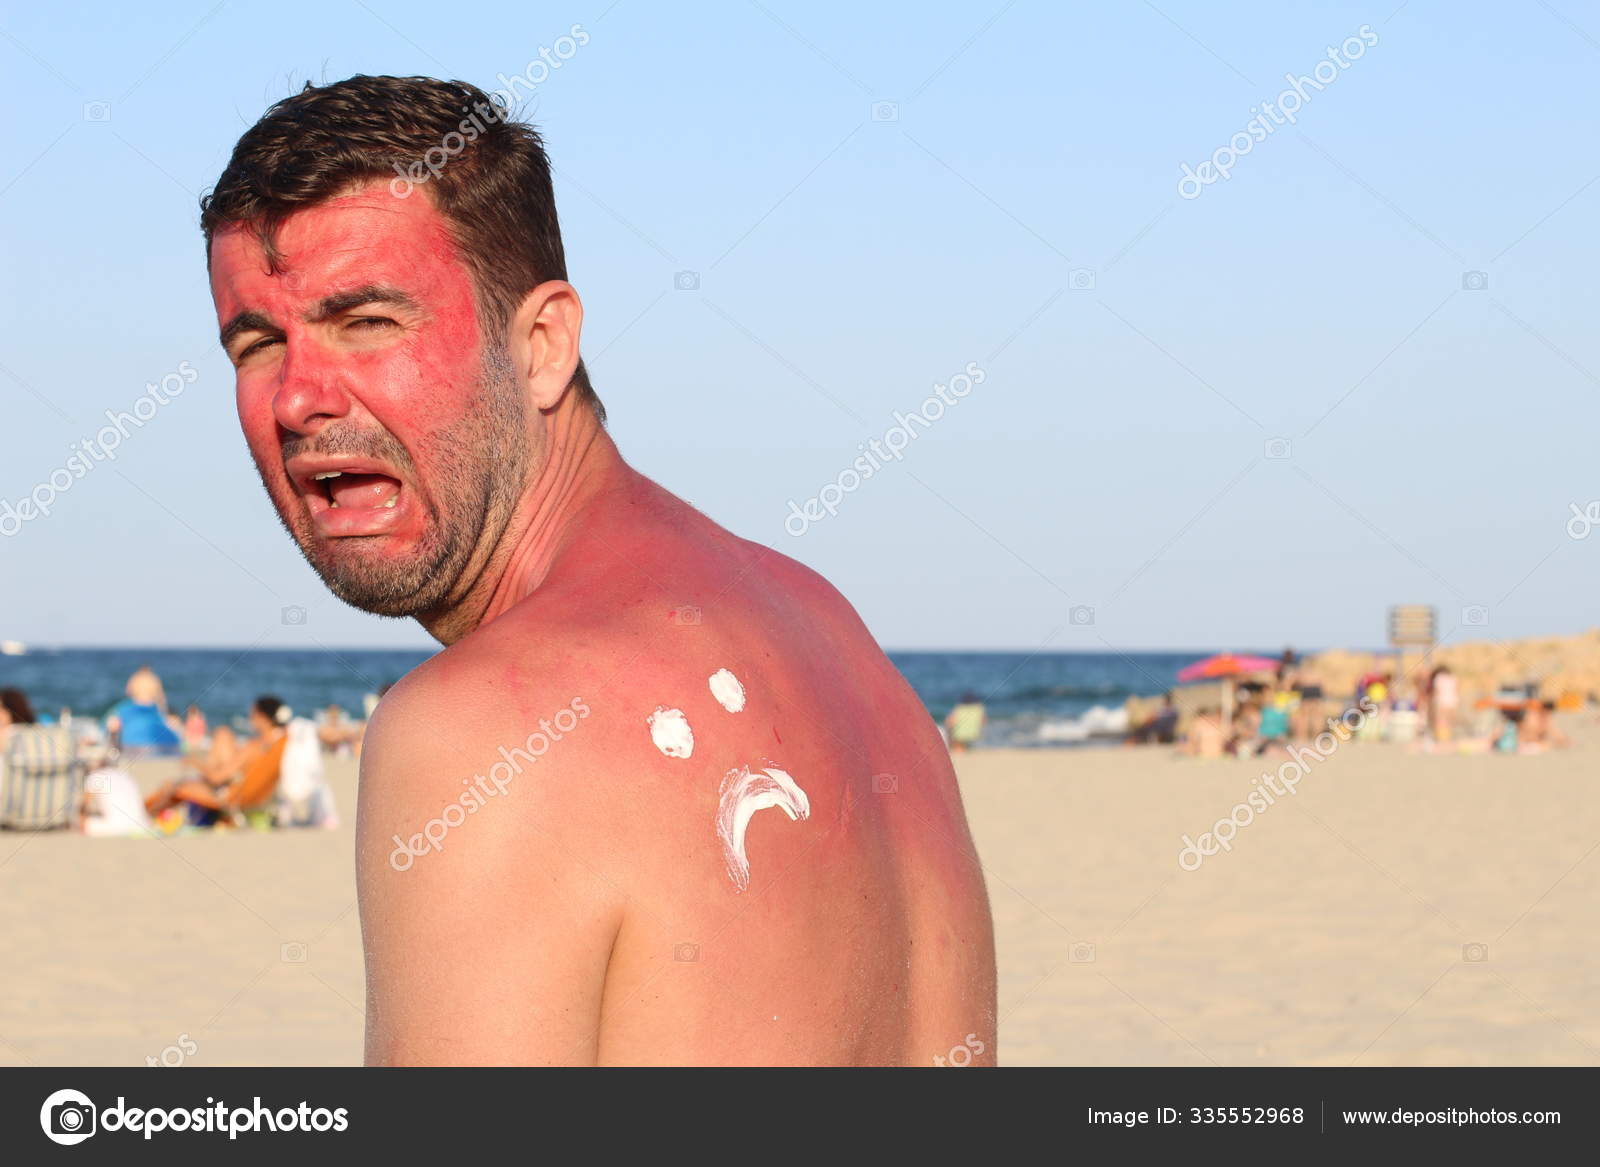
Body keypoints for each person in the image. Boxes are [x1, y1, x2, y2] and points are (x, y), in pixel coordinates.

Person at [201, 75, 996, 1065]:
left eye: (369, 321)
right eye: (257, 342)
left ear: (542, 346)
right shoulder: (837, 644)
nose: (300, 398)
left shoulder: (488, 725)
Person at [145, 697, 290, 828]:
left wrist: (195, 762)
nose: (251, 718)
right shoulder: (279, 745)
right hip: (252, 798)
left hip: (230, 799)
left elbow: (217, 777)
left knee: (174, 786)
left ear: (262, 717)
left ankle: (142, 815)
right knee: (223, 734)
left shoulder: (256, 746)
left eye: (253, 714)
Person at [1428, 666, 1459, 743]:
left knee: (1440, 721)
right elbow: (1456, 689)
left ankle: (1440, 739)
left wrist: (1433, 703)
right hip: (1452, 701)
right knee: (1449, 722)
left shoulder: (1439, 678)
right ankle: (1447, 738)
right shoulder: (1453, 677)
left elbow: (1437, 691)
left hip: (1441, 701)